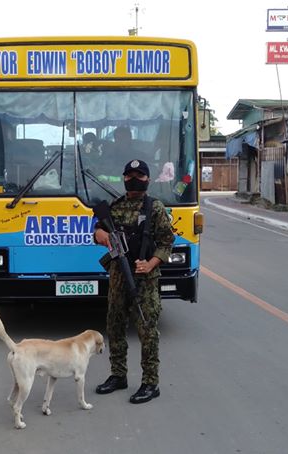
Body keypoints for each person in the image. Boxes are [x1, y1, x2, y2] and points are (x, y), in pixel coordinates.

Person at [93, 159, 174, 404]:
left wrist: (150, 263)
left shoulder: (154, 208)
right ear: (124, 178)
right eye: (129, 175)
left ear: (148, 179)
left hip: (146, 280)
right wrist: (101, 235)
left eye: (139, 175)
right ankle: (118, 376)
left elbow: (167, 242)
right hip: (118, 277)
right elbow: (97, 231)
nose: (133, 179)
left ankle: (151, 383)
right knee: (115, 326)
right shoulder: (115, 207)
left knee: (147, 331)